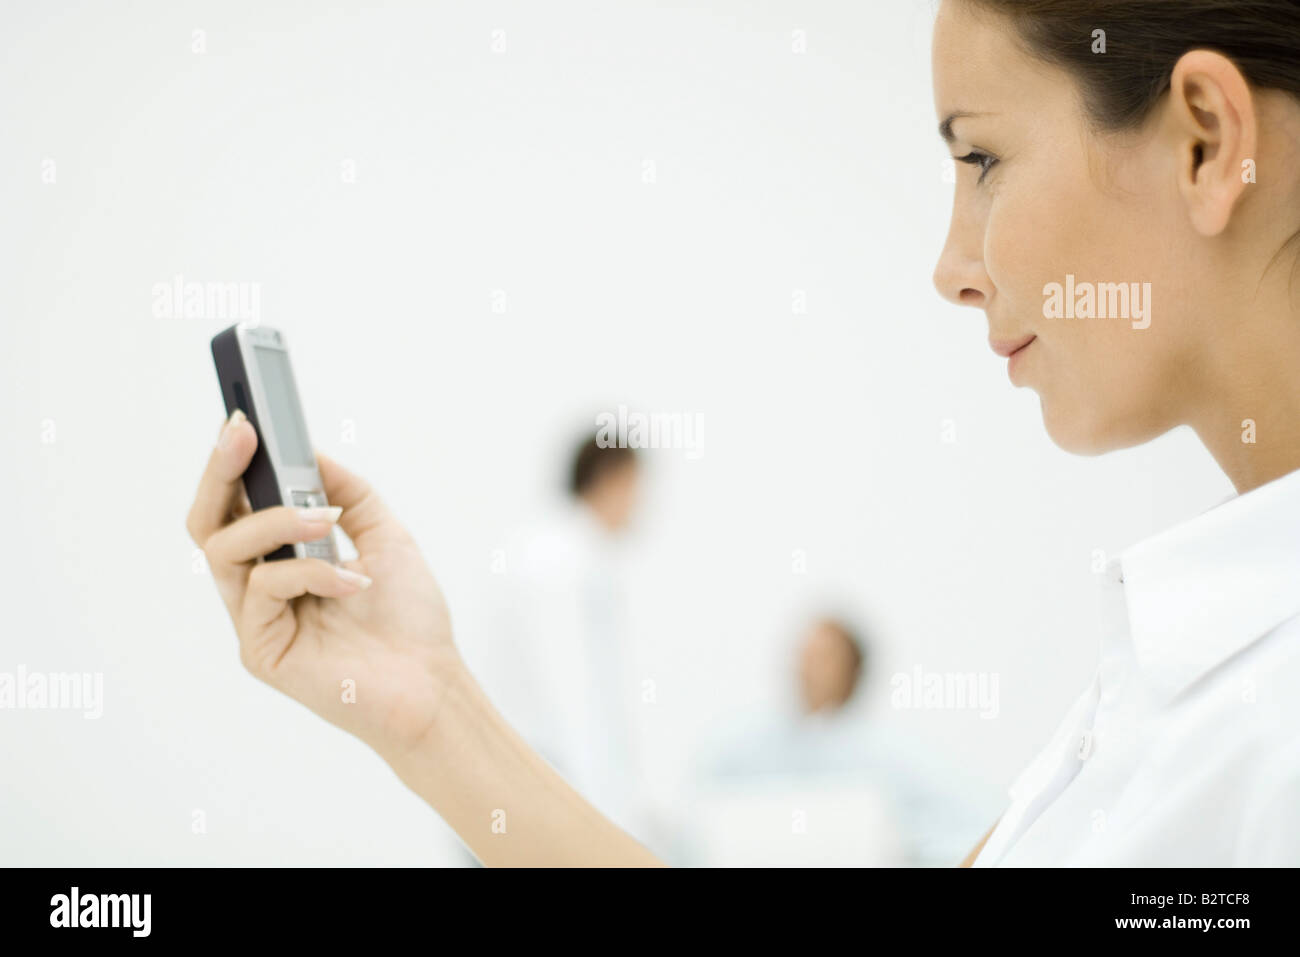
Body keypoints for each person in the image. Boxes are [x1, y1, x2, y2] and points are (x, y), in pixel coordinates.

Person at [187, 0, 1300, 866]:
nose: (953, 268)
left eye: (982, 161)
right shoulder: (1185, 662)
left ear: (1205, 143)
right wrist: (426, 705)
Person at [697, 617, 992, 866]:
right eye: (804, 654)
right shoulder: (746, 743)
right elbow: (701, 816)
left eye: (822, 658)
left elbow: (961, 824)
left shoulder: (889, 752)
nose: (806, 667)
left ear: (851, 669)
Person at [469, 437, 649, 844]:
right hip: (533, 791)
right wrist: (607, 824)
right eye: (637, 488)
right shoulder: (559, 562)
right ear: (612, 479)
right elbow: (574, 700)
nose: (641, 506)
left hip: (516, 787)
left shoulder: (557, 552)